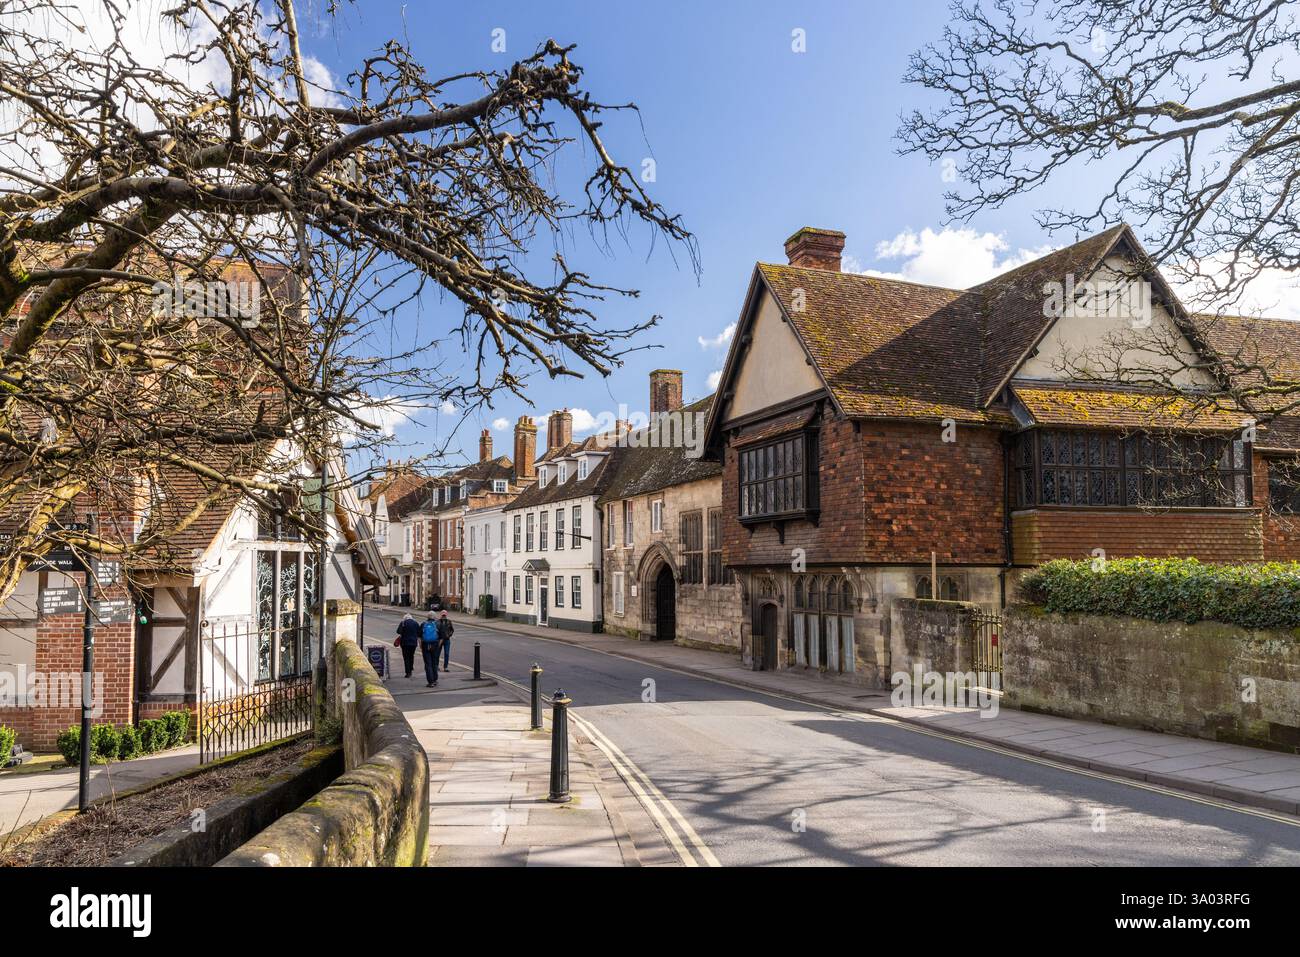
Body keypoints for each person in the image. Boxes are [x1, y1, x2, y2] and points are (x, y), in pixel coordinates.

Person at [394, 613, 422, 678]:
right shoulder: (415, 623)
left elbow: (398, 631)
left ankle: (408, 672)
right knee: (411, 655)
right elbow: (419, 633)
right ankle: (411, 667)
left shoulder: (403, 623)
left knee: (406, 657)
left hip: (405, 643)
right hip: (413, 643)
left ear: (405, 618)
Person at [420, 612, 440, 687]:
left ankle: (430, 682)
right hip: (435, 645)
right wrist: (438, 645)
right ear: (434, 617)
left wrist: (421, 645)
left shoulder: (423, 624)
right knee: (434, 663)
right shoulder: (437, 624)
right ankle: (435, 679)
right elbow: (441, 637)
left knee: (428, 664)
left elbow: (419, 636)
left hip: (425, 645)